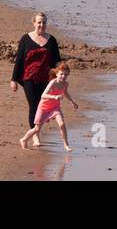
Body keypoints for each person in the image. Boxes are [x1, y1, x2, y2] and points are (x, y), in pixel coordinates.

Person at [10, 13, 63, 141]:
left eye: (44, 22)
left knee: (42, 106)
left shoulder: (51, 40)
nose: (41, 25)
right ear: (34, 23)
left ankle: (37, 130)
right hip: (29, 78)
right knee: (33, 106)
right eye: (39, 22)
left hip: (46, 79)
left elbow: (57, 61)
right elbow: (19, 60)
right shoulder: (25, 39)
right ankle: (35, 136)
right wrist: (13, 79)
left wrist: (61, 75)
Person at [19, 62, 79, 150]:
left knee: (62, 124)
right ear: (57, 73)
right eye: (61, 74)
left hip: (55, 107)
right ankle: (23, 139)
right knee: (36, 129)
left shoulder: (65, 84)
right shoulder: (53, 82)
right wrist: (54, 97)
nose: (63, 76)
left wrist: (72, 101)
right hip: (44, 107)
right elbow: (43, 95)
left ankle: (66, 145)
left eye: (66, 74)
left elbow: (65, 92)